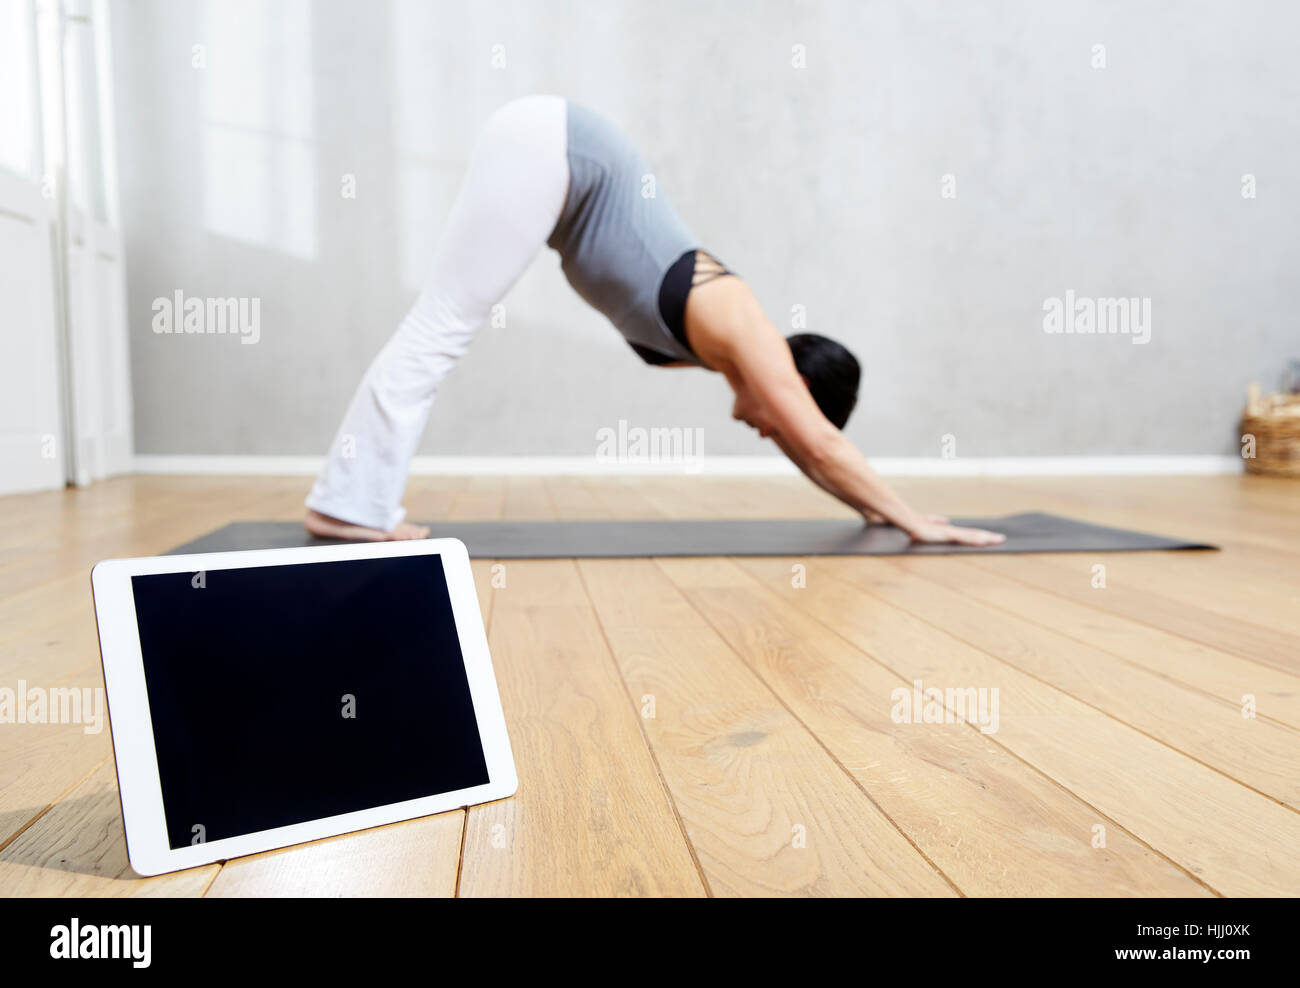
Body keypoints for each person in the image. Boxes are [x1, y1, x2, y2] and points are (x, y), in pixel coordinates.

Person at [304, 96, 1005, 548]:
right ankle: (351, 505)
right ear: (793, 380)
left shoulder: (721, 354)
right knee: (444, 321)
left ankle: (353, 501)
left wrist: (874, 511)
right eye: (779, 417)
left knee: (445, 321)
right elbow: (817, 442)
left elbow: (806, 446)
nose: (766, 429)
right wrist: (914, 521)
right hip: (556, 147)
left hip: (551, 157)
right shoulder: (744, 324)